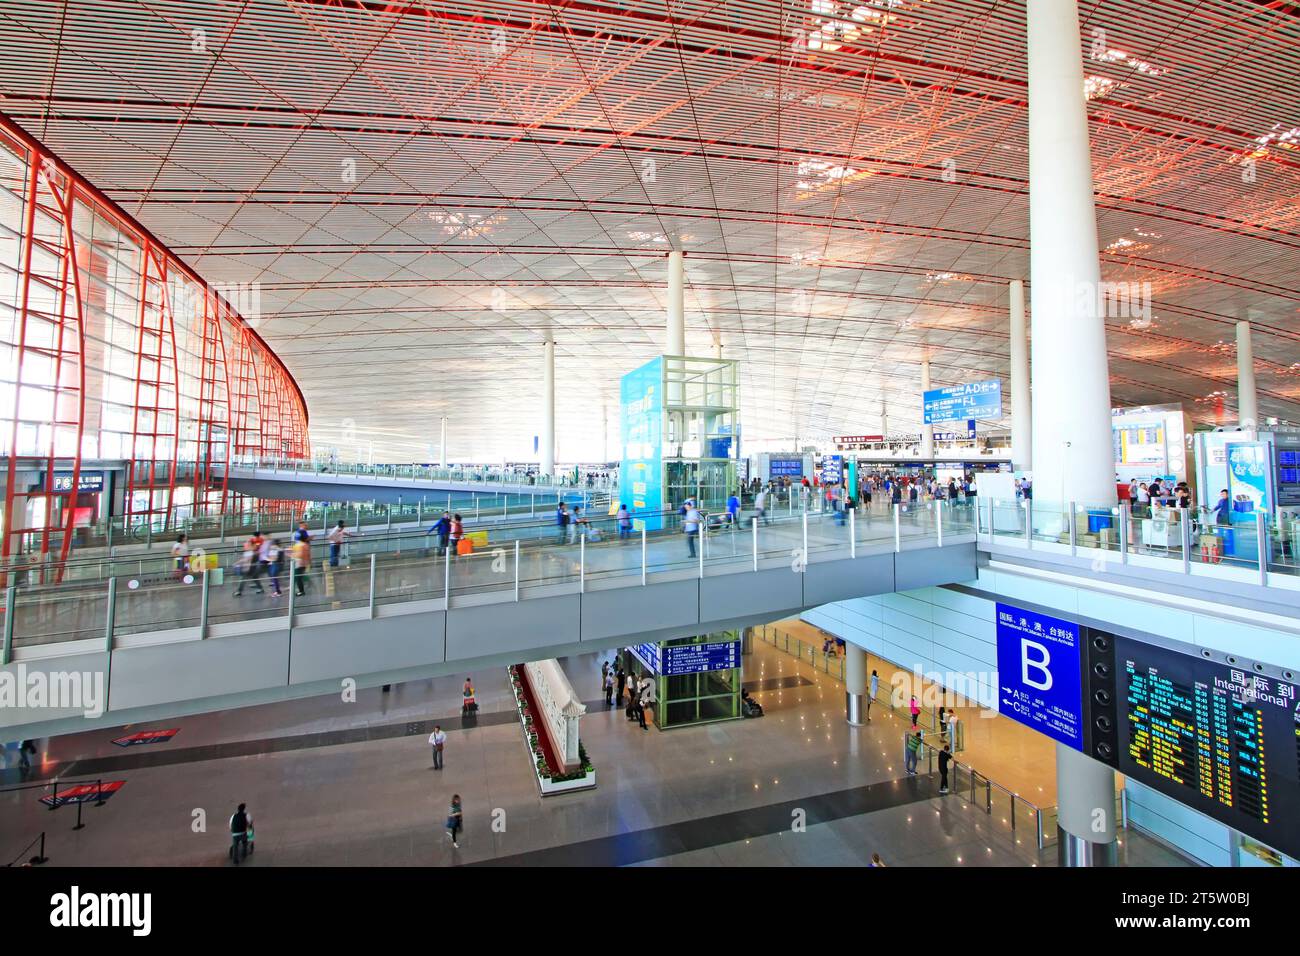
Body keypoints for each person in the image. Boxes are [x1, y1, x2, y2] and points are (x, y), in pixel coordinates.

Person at [234, 531, 265, 597]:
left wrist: (239, 563)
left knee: (244, 579)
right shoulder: (248, 551)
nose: (246, 545)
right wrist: (238, 562)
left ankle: (239, 591)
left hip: (250, 568)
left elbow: (248, 559)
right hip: (249, 568)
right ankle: (260, 588)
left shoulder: (253, 552)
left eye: (248, 544)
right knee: (255, 578)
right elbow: (244, 559)